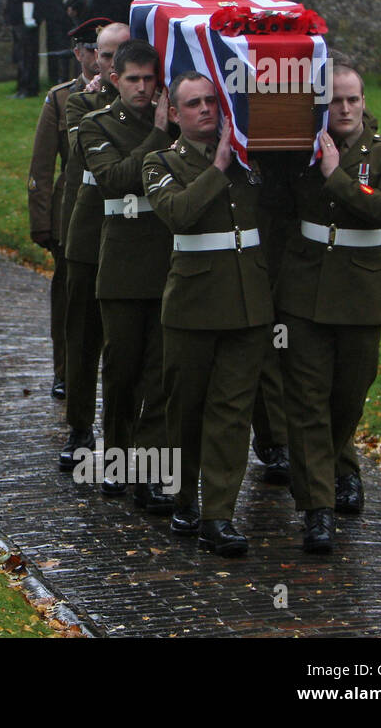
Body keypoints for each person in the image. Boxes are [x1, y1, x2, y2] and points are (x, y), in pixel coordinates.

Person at [276, 61, 381, 551]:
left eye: (353, 99)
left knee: (347, 397)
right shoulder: (299, 153)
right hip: (305, 291)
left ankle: (340, 466)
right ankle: (317, 509)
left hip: (361, 293)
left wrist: (337, 177)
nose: (346, 108)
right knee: (307, 400)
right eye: (335, 100)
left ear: (363, 101)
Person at [143, 72, 273, 557]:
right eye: (193, 104)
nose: (205, 110)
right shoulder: (161, 163)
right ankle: (184, 496)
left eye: (211, 102)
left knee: (232, 413)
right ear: (174, 114)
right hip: (193, 307)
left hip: (247, 303)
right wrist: (217, 169)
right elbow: (177, 213)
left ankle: (218, 516)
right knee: (186, 408)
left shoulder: (247, 157)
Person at [77, 40, 174, 511]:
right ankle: (116, 455)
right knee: (121, 368)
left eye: (148, 79)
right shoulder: (96, 125)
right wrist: (157, 136)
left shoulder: (178, 126)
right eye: (131, 78)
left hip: (169, 260)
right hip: (121, 262)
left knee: (160, 373)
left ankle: (151, 471)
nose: (140, 87)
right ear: (114, 78)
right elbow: (115, 178)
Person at [57, 21, 129, 469]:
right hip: (90, 225)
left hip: (134, 231)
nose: (112, 63)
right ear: (94, 59)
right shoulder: (82, 102)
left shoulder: (150, 101)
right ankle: (80, 426)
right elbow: (81, 154)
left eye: (121, 53)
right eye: (105, 55)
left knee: (126, 341)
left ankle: (125, 433)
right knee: (82, 334)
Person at [29, 17, 106, 401]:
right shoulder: (60, 98)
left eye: (103, 50)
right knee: (69, 300)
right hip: (70, 211)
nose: (96, 58)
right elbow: (42, 166)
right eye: (90, 50)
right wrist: (41, 221)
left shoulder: (131, 94)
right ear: (78, 53)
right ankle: (66, 369)